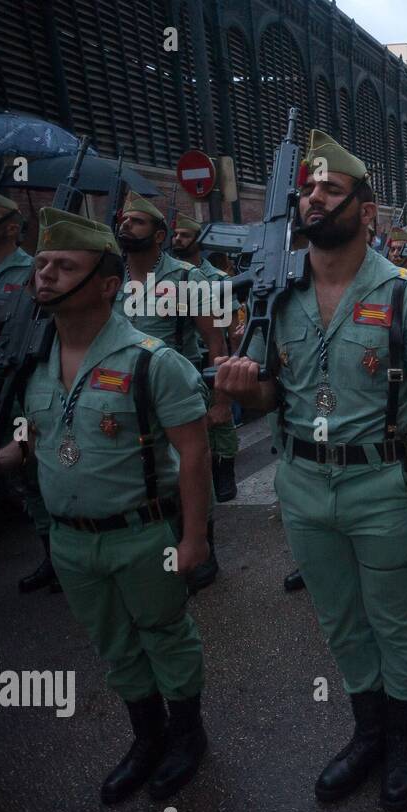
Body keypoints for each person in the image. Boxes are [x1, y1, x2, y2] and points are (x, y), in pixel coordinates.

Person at [213, 129, 407, 812]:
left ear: (367, 210)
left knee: (393, 619)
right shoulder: (277, 294)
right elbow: (267, 392)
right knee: (341, 620)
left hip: (379, 483)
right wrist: (241, 385)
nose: (314, 198)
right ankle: (367, 731)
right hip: (301, 482)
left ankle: (406, 737)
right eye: (307, 189)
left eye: (331, 189)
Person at [0, 207, 212, 803]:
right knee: (114, 643)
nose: (45, 274)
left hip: (142, 533)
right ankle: (146, 735)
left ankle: (187, 735)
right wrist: (10, 450)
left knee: (164, 633)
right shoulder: (32, 360)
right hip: (71, 539)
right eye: (45, 263)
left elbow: (193, 453)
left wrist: (193, 539)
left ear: (107, 285)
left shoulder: (151, 362)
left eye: (64, 265)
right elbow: (34, 428)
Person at [114, 194, 230, 593]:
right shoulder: (112, 280)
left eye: (138, 222)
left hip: (178, 388)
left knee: (190, 466)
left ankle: (203, 547)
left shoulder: (185, 278)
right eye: (124, 220)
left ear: (159, 235)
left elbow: (215, 339)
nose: (126, 226)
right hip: (125, 394)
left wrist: (221, 400)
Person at [0, 182, 57, 590]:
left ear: (10, 227)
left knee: (37, 475)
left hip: (21, 387)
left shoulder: (33, 273)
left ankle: (56, 557)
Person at [169, 213, 240, 503]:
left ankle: (225, 472)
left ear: (198, 241)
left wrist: (232, 365)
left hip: (212, 357)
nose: (177, 240)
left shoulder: (217, 279)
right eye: (175, 235)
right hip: (184, 363)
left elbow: (231, 329)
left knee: (219, 420)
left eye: (184, 236)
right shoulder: (169, 278)